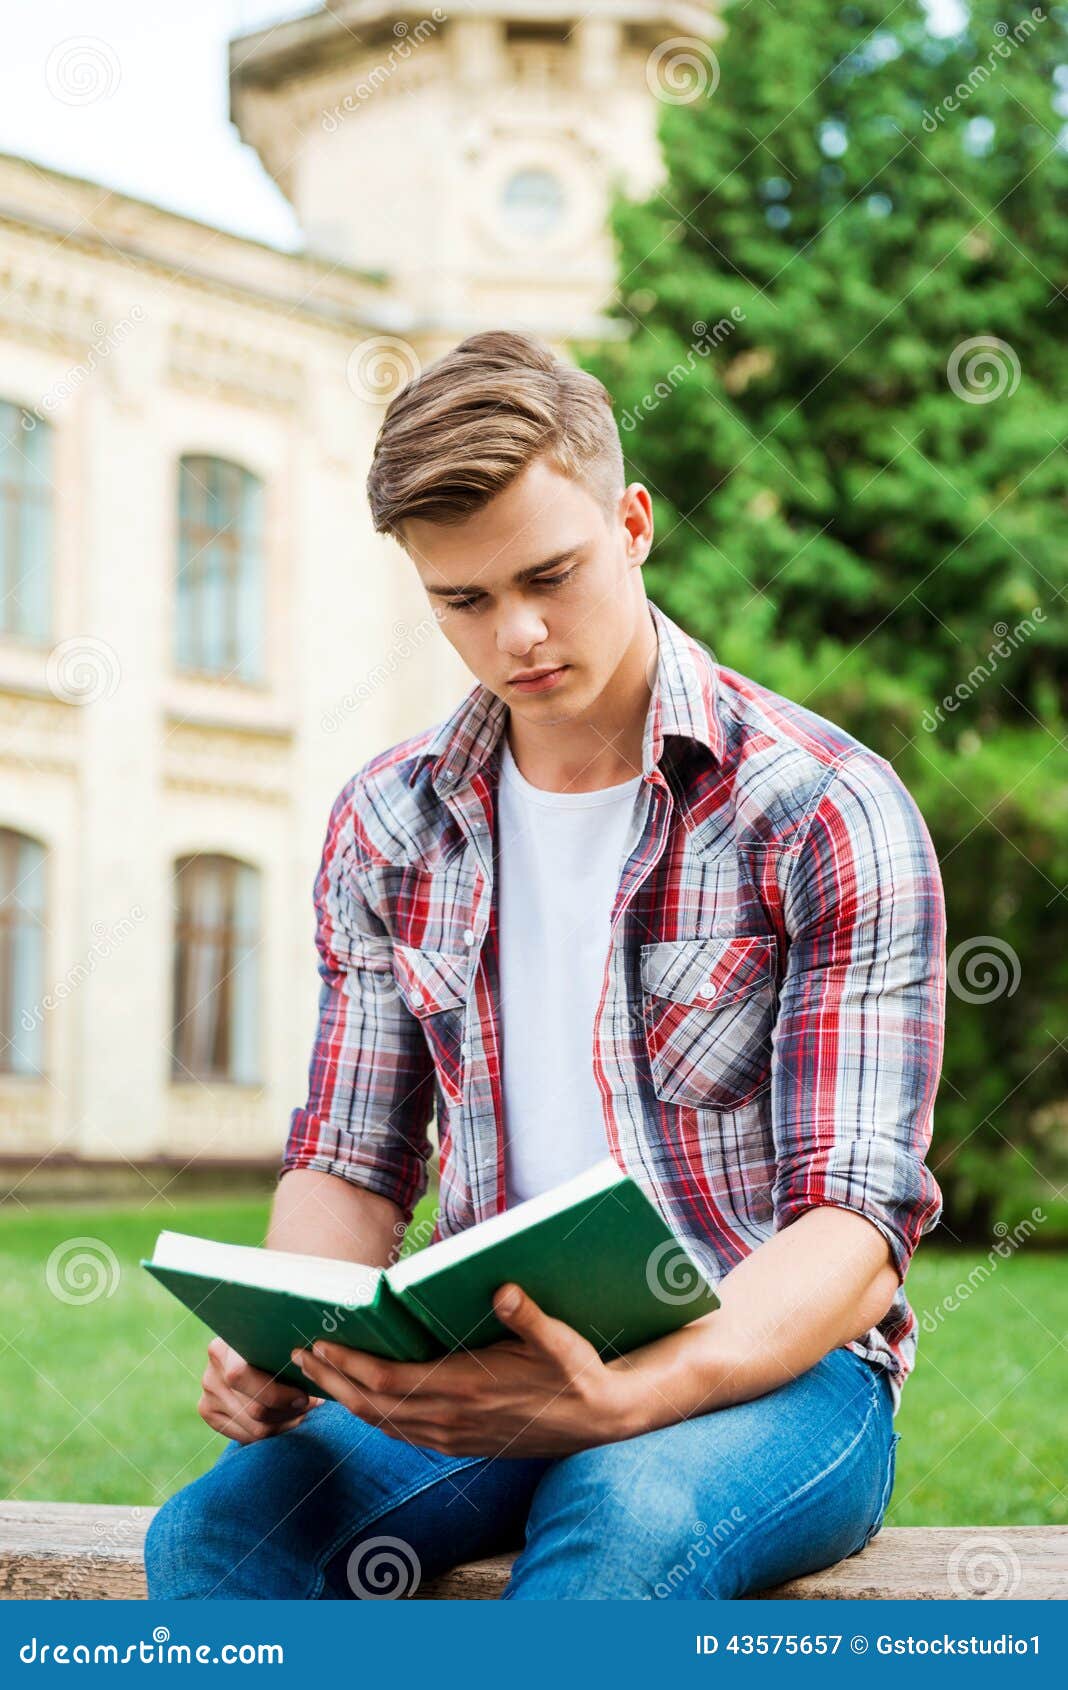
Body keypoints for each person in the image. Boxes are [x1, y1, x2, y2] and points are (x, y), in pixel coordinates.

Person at [144, 331, 945, 1601]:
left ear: (633, 525)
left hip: (781, 1371)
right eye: (463, 600)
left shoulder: (825, 809)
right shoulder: (389, 822)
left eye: (549, 576)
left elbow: (854, 1223)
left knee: (622, 1511)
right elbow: (353, 1161)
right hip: (487, 1360)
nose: (517, 632)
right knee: (216, 1536)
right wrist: (293, 1337)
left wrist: (630, 1394)